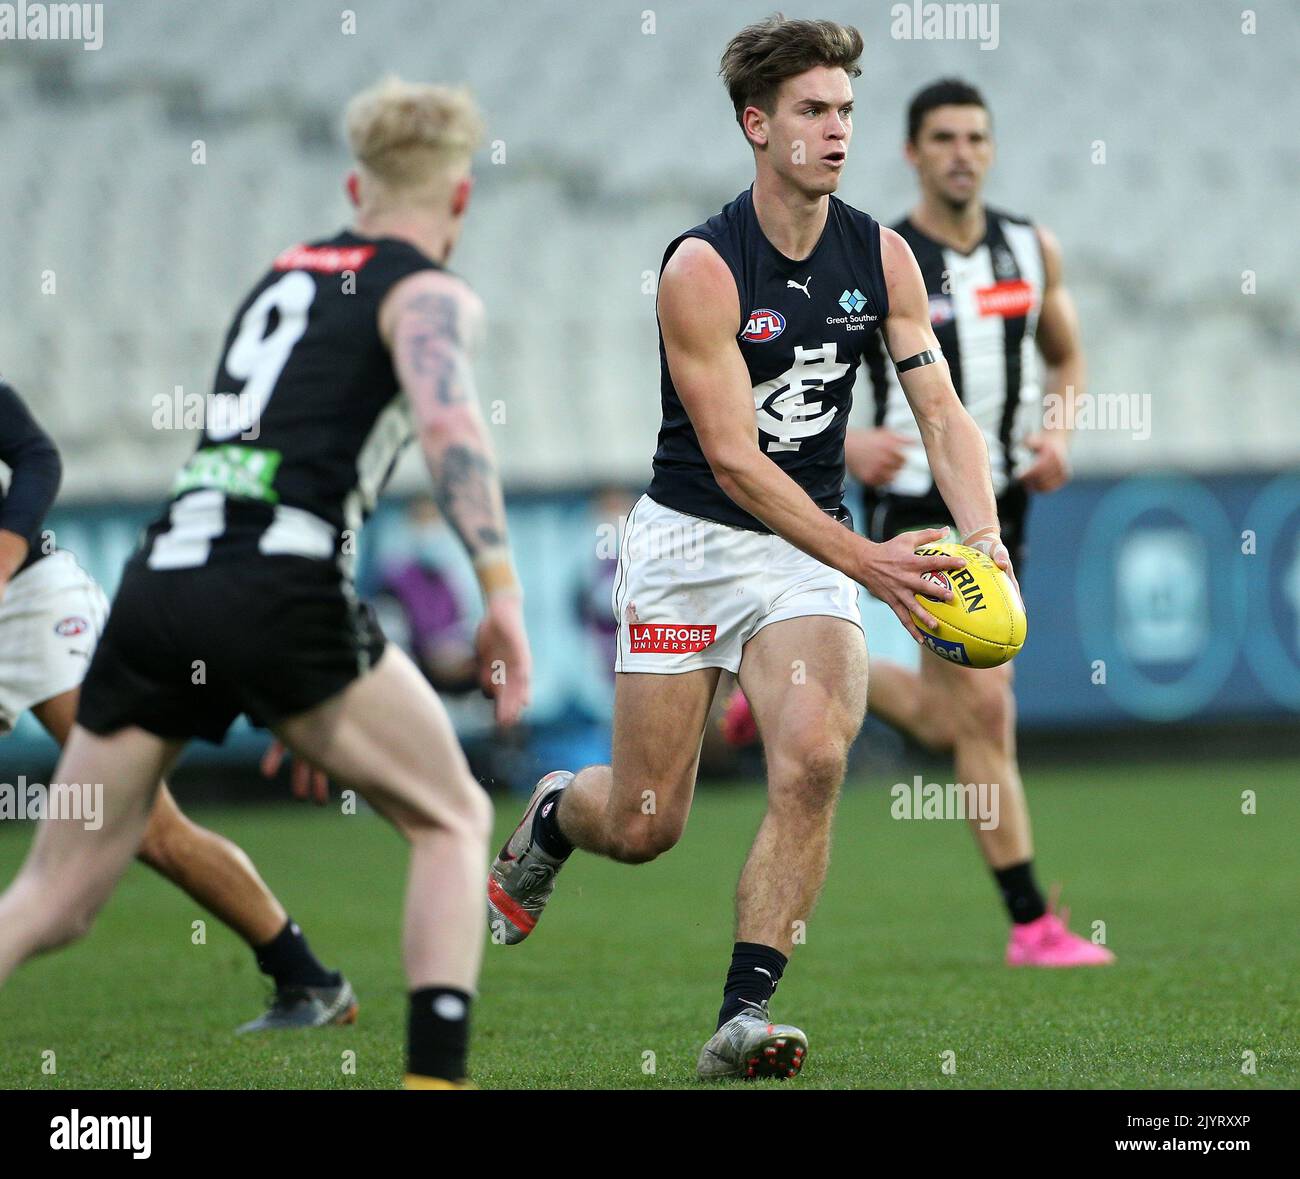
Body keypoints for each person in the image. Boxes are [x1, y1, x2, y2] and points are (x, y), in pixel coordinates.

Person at [488, 18, 1017, 1079]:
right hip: (692, 543)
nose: (835, 132)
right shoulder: (701, 267)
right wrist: (869, 560)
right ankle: (554, 811)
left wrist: (983, 536)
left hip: (800, 552)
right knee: (644, 823)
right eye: (813, 112)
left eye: (846, 112)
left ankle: (741, 1017)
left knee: (816, 755)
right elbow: (731, 462)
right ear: (756, 124)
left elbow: (941, 412)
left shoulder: (883, 253)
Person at [0, 76, 532, 1090]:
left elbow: (270, 458)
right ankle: (435, 1084)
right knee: (453, 817)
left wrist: (299, 695)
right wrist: (500, 591)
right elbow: (451, 430)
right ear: (460, 200)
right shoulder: (426, 291)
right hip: (277, 586)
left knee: (54, 898)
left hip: (159, 584)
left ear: (353, 185)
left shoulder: (283, 275)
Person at [0, 379, 357, 1031]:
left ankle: (307, 978)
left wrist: (2, 555)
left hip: (30, 606)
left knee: (147, 827)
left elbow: (35, 454)